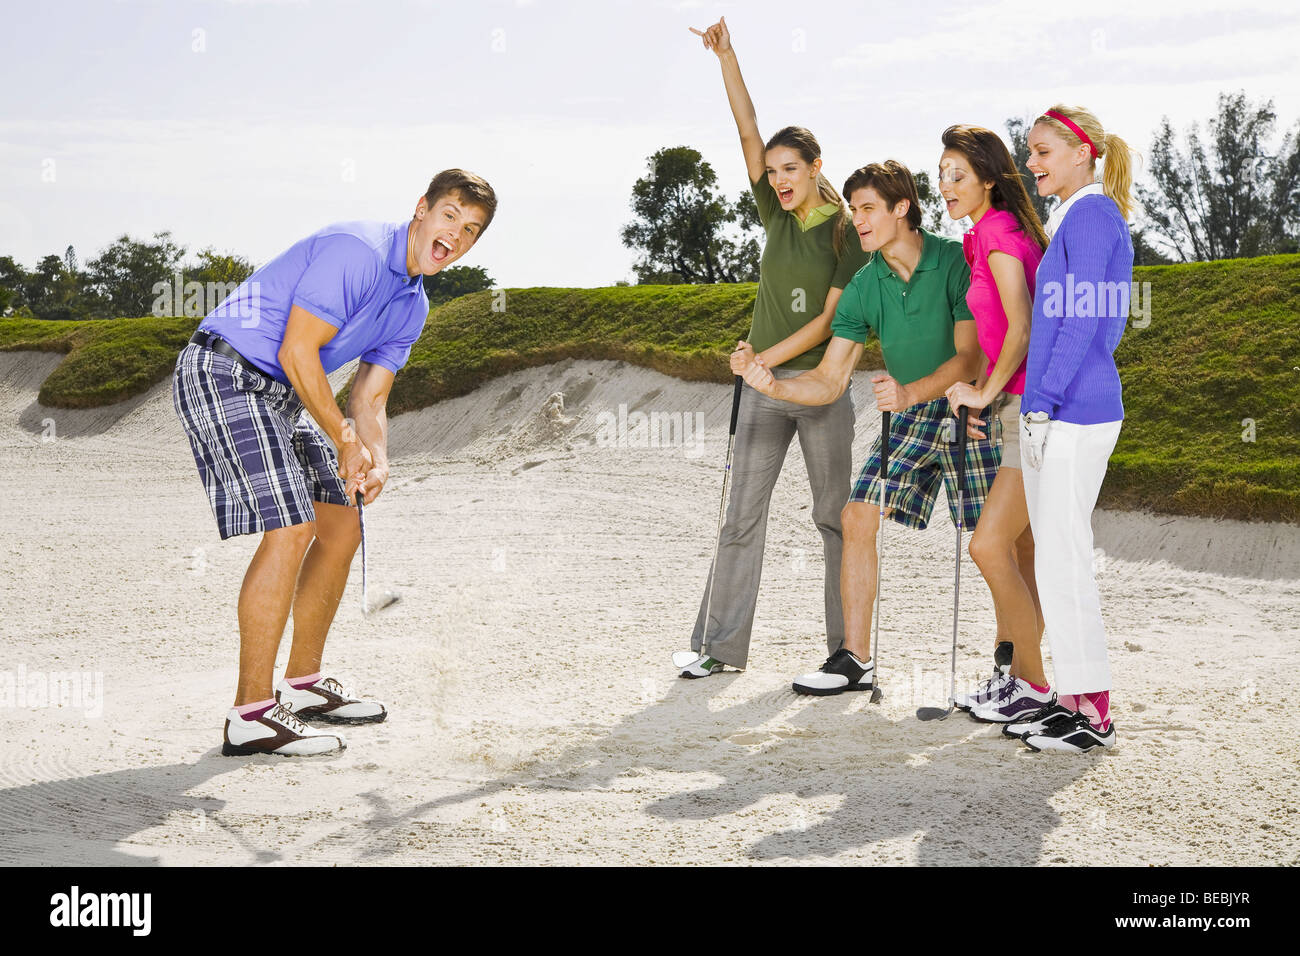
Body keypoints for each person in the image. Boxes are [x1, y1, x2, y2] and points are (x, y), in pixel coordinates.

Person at [173, 169, 497, 756]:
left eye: (471, 229)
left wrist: (376, 459)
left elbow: (370, 397)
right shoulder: (359, 254)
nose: (456, 233)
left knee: (341, 520)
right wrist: (344, 440)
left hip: (280, 390)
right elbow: (298, 350)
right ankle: (250, 715)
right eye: (450, 215)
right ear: (420, 209)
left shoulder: (412, 305)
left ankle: (301, 686)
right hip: (223, 371)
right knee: (292, 527)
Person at [738, 160, 998, 696]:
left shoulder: (954, 260)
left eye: (867, 209)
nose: (856, 219)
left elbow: (969, 356)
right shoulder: (863, 284)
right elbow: (830, 379)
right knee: (856, 515)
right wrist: (774, 386)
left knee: (1000, 541)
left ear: (901, 208)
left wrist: (910, 392)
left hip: (966, 407)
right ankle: (854, 659)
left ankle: (1014, 663)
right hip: (907, 417)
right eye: (853, 209)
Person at [678, 17, 870, 679]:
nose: (779, 178)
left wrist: (763, 358)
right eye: (773, 171)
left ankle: (847, 652)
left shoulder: (848, 233)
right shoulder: (773, 210)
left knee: (833, 520)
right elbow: (746, 127)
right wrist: (727, 57)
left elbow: (827, 322)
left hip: (820, 389)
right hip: (761, 389)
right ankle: (718, 649)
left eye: (791, 169)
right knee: (739, 517)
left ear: (818, 169)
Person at [1000, 105, 1136, 753]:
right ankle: (1073, 699)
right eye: (1030, 152)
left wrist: (1044, 399)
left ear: (1081, 152)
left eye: (1043, 152)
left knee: (1065, 560)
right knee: (1058, 559)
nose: (1031, 164)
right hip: (1068, 408)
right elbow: (1100, 324)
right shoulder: (1084, 219)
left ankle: (1095, 714)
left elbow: (1086, 325)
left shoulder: (1090, 217)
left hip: (1071, 412)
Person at [934, 125, 1052, 724]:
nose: (946, 185)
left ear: (987, 178)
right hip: (1015, 404)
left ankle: (1032, 686)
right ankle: (1016, 676)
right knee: (1013, 548)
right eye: (942, 174)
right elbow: (997, 334)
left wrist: (983, 392)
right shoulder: (983, 237)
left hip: (1030, 410)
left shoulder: (1001, 234)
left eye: (958, 174)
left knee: (986, 545)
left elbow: (1022, 326)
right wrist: (983, 396)